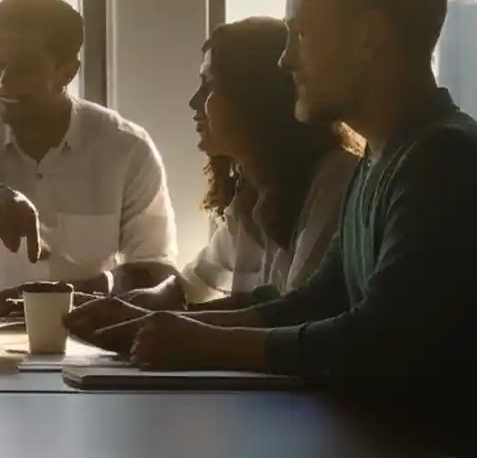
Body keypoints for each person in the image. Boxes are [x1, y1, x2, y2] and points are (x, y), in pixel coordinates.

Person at [66, 0, 477, 452]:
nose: (287, 59)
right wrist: (166, 323)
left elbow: (377, 342)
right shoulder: (381, 160)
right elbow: (317, 301)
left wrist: (206, 346)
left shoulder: (443, 160)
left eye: (301, 33)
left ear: (367, 36)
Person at [0, 0, 178, 319]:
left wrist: (74, 295)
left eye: (23, 68)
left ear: (67, 72)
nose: (3, 83)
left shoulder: (127, 149)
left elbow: (159, 272)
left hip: (91, 346)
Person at [119, 17, 360, 312]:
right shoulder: (250, 195)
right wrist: (150, 300)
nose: (194, 102)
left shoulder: (336, 181)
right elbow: (196, 281)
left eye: (209, 86)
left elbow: (296, 310)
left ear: (254, 94)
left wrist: (160, 319)